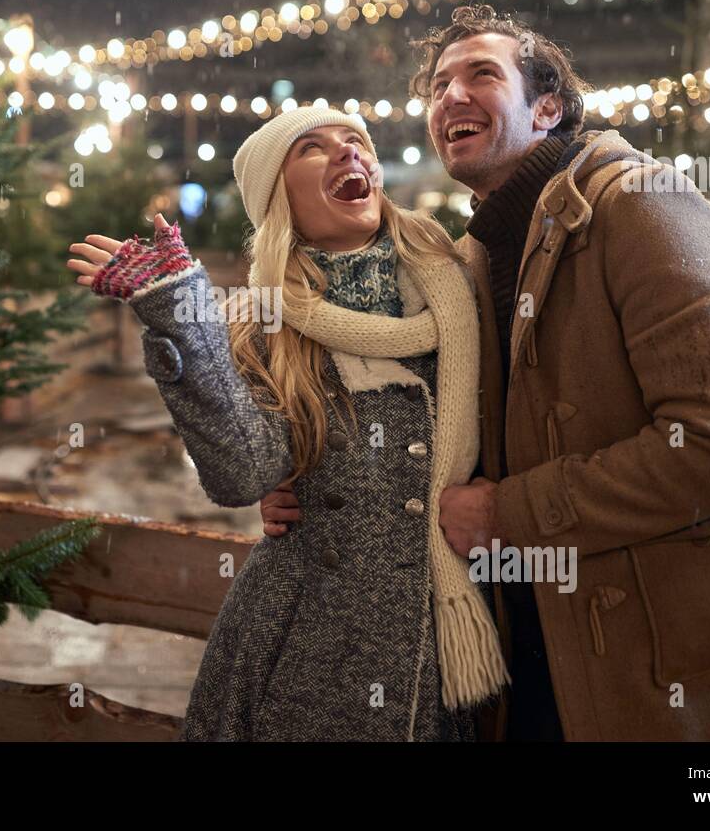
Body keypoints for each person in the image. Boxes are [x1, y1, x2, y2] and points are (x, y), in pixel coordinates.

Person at [262, 5, 710, 741]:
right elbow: (426, 426)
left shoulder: (637, 206)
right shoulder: (472, 262)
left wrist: (507, 516)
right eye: (437, 86)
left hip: (657, 682)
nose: (450, 97)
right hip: (530, 666)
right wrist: (301, 484)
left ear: (548, 108)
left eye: (482, 75)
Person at [67, 107, 509, 740]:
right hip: (308, 650)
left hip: (449, 653)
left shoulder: (465, 283)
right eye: (313, 149)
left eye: (356, 141)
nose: (347, 154)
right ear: (280, 197)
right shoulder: (262, 321)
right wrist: (183, 315)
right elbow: (244, 472)